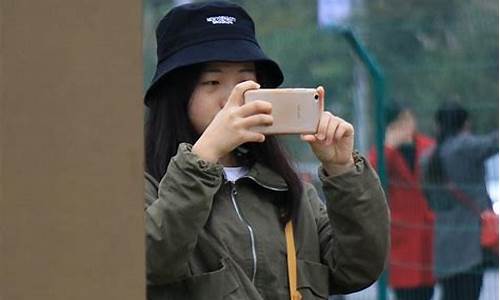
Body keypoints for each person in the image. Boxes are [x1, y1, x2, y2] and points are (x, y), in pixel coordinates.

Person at [144, 2, 389, 299]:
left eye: (246, 81)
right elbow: (152, 262)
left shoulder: (288, 188)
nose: (232, 99)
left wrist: (343, 170)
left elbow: (358, 268)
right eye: (212, 82)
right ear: (177, 94)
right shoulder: (150, 186)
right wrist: (202, 159)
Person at [421, 101, 498, 300]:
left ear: (438, 125)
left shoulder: (427, 158)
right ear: (465, 124)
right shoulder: (464, 146)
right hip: (470, 245)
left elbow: (429, 199)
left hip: (444, 244)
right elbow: (493, 142)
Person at [369, 101, 436, 300]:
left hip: (425, 232)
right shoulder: (383, 151)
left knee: (427, 291)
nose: (409, 124)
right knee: (405, 291)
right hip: (402, 233)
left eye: (410, 119)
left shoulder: (427, 146)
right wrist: (388, 147)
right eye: (403, 121)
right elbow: (370, 176)